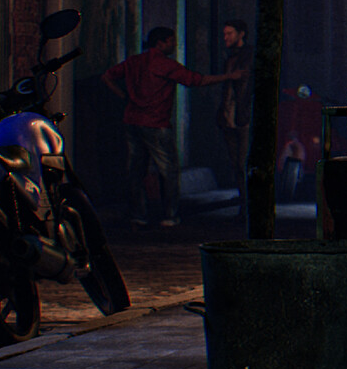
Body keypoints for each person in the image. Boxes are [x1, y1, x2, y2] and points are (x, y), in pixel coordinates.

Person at [102, 26, 244, 228]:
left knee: (135, 170)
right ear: (160, 43)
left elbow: (107, 76)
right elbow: (197, 80)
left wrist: (123, 96)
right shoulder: (165, 65)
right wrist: (228, 76)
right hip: (156, 123)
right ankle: (169, 215)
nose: (173, 45)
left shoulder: (134, 62)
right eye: (170, 41)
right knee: (168, 171)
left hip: (132, 121)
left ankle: (138, 214)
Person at [217, 20, 253, 220]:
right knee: (236, 164)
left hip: (243, 115)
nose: (226, 38)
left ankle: (248, 205)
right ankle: (244, 204)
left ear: (241, 34)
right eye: (225, 34)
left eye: (230, 33)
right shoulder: (230, 58)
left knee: (243, 163)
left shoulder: (249, 56)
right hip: (229, 115)